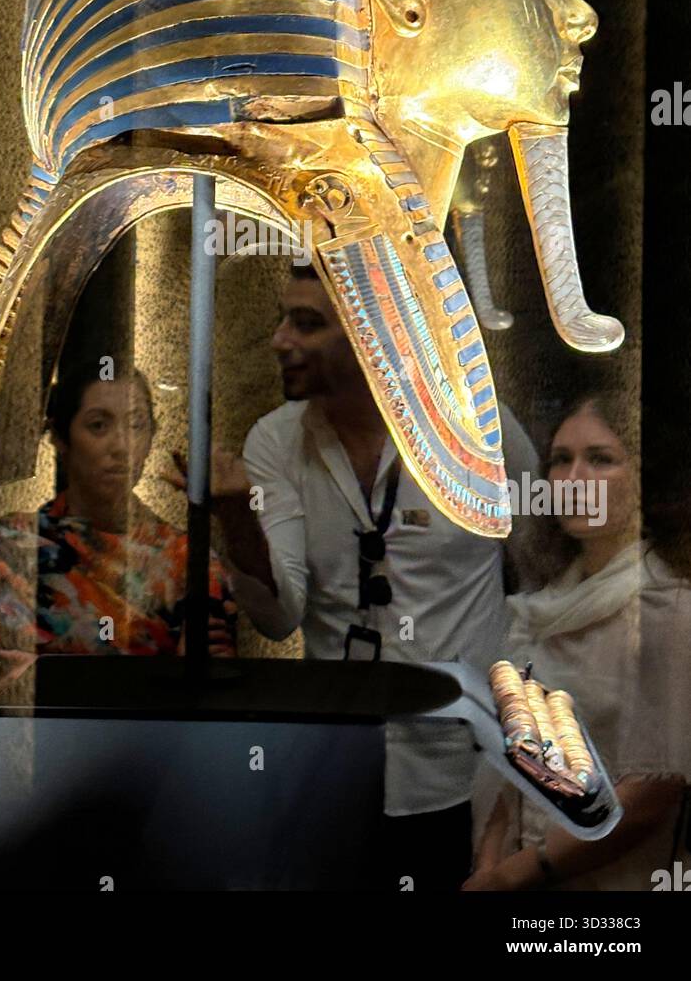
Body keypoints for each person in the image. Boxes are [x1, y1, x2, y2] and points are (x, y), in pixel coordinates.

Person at [195, 263, 538, 892]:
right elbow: (281, 617)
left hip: (464, 777)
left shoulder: (473, 430)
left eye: (306, 324)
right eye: (282, 318)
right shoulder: (275, 442)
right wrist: (237, 521)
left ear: (369, 335)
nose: (279, 340)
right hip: (334, 771)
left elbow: (535, 554)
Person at [0, 357, 236, 843]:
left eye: (136, 425)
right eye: (98, 426)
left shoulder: (188, 559)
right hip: (27, 789)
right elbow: (14, 687)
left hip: (154, 787)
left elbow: (209, 693)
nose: (121, 447)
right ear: (60, 439)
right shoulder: (12, 546)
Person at [464, 394, 691, 891]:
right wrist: (488, 866)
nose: (572, 479)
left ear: (644, 479)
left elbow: (652, 792)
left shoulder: (666, 609)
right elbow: (507, 759)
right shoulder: (540, 606)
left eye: (601, 459)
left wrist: (521, 874)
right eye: (560, 460)